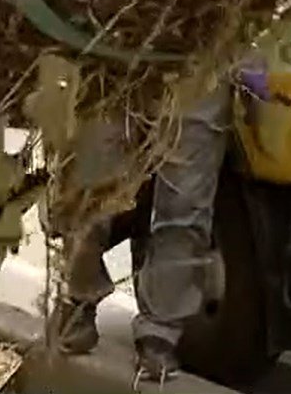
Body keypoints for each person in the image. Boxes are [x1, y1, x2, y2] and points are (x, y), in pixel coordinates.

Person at [50, 62, 255, 382]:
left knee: (184, 206)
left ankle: (161, 333)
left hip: (203, 53)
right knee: (89, 187)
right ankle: (78, 299)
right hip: (116, 49)